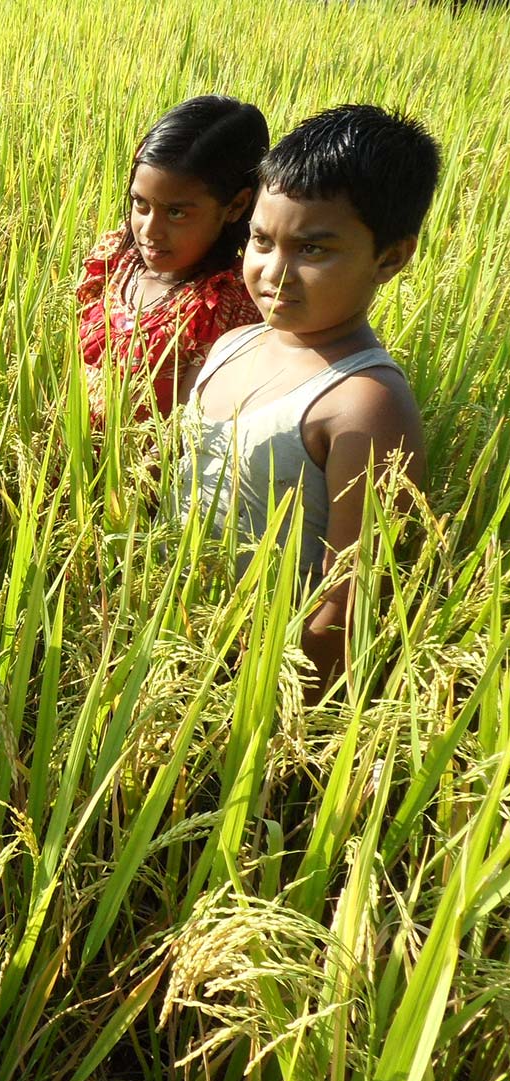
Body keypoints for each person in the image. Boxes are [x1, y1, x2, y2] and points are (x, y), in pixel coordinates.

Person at [177, 104, 440, 697]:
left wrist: (270, 717)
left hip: (257, 689)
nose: (276, 272)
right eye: (262, 241)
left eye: (314, 250)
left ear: (391, 257)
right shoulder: (231, 345)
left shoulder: (363, 404)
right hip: (172, 649)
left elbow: (346, 605)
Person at [77, 95, 270, 422]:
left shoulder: (226, 309)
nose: (150, 230)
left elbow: (184, 435)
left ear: (236, 206)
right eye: (141, 204)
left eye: (176, 212)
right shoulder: (114, 259)